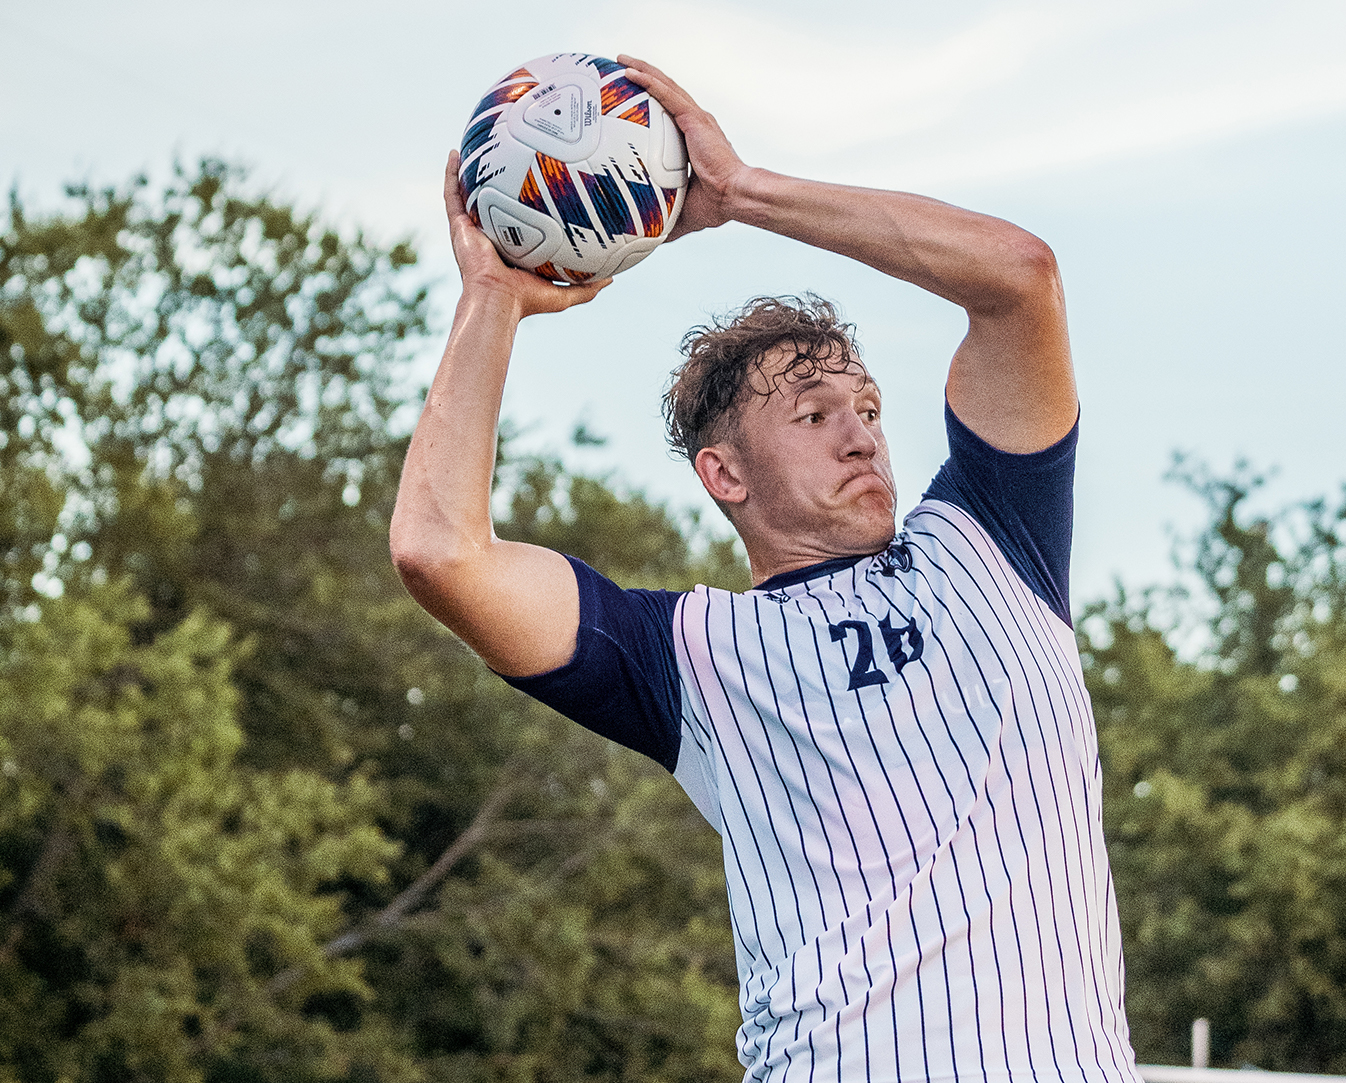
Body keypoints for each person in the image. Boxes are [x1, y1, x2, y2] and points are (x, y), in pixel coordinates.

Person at [391, 54, 1139, 1082]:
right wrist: (491, 301)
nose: (862, 435)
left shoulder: (994, 541)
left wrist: (741, 194)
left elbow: (1018, 279)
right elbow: (439, 553)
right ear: (725, 473)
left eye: (868, 409)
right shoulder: (684, 657)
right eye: (815, 415)